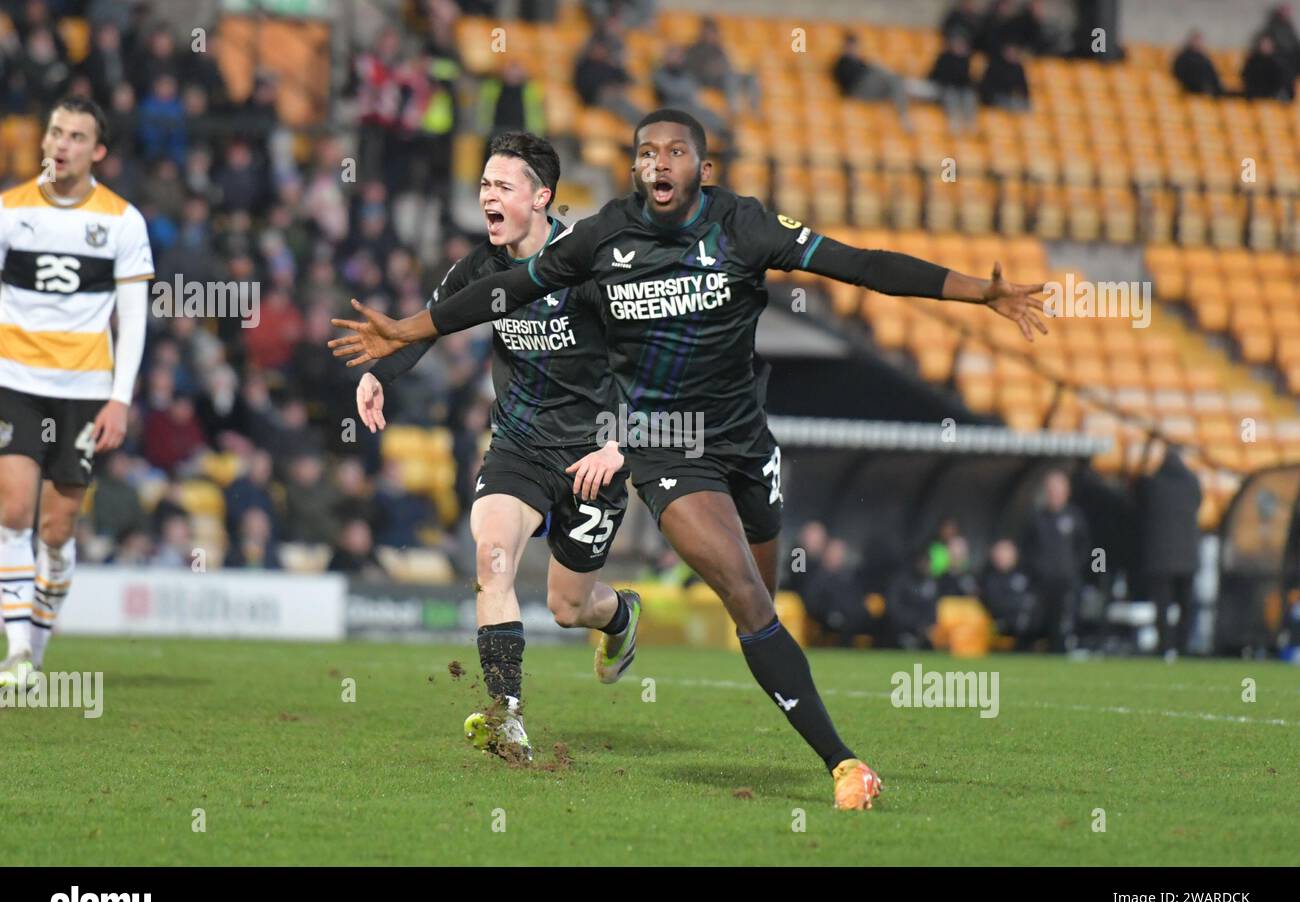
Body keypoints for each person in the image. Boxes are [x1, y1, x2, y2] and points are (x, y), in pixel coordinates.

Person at [329, 108, 1048, 810]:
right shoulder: (600, 241)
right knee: (723, 594)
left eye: (673, 152)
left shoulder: (741, 226)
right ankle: (839, 761)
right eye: (646, 152)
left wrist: (976, 291)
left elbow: (858, 265)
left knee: (588, 603)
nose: (657, 164)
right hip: (635, 447)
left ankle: (621, 619)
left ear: (701, 168)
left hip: (714, 438)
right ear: (635, 165)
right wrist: (394, 341)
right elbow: (497, 295)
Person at [356, 132, 641, 761]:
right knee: (492, 558)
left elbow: (643, 362)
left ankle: (619, 616)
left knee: (569, 608)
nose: (487, 194)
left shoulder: (592, 266)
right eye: (484, 184)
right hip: (518, 445)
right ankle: (506, 714)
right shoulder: (480, 267)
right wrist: (379, 373)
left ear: (541, 197)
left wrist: (622, 443)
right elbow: (426, 329)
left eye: (502, 185)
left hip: (593, 456)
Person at [0, 97, 153, 687]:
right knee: (13, 513)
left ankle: (35, 644)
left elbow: (133, 319)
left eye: (76, 137)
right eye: (55, 133)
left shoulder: (121, 221)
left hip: (84, 392)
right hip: (14, 381)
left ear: (98, 151)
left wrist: (120, 398)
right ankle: (18, 653)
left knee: (56, 532)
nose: (61, 145)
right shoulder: (11, 211)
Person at [1135, 447, 1202, 657]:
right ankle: (1182, 646)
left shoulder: (1154, 484)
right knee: (1186, 605)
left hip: (1160, 558)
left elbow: (1137, 495)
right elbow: (1199, 502)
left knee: (1162, 606)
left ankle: (1164, 646)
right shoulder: (1192, 483)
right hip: (1187, 557)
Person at [1019, 469, 1090, 651]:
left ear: (1067, 491)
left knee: (1063, 625)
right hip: (1041, 582)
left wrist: (1075, 569)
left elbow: (1085, 547)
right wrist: (1035, 569)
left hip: (1066, 582)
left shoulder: (1075, 517)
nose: (1055, 493)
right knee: (1038, 624)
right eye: (1051, 489)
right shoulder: (1035, 517)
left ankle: (1063, 651)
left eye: (1059, 489)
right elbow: (1026, 547)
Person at [980, 538, 1037, 649]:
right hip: (1001, 625)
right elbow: (993, 604)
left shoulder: (1024, 576)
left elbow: (1032, 599)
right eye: (1001, 552)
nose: (1004, 556)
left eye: (1007, 551)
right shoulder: (989, 578)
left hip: (1026, 625)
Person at [1173, 30, 1223, 97]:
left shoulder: (1205, 58)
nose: (1198, 43)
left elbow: (1213, 75)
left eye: (1200, 41)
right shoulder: (1183, 57)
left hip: (1208, 88)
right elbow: (1179, 73)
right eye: (1196, 40)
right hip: (1191, 88)